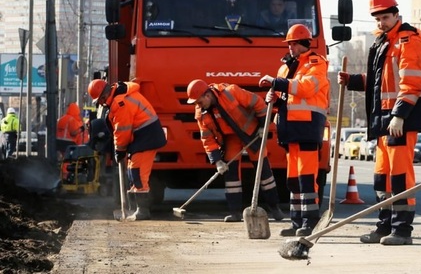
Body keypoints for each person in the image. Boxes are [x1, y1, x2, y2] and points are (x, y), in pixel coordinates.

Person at [338, 0, 421, 246]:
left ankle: (402, 231)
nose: (381, 22)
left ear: (396, 14)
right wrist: (354, 81)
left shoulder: (408, 42)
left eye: (385, 17)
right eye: (377, 18)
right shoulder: (383, 43)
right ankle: (384, 226)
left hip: (400, 120)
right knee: (383, 176)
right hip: (384, 119)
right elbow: (381, 83)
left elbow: (411, 84)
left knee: (401, 176)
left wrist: (399, 116)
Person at [259, 23, 329, 237]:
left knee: (307, 177)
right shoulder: (285, 67)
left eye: (294, 44)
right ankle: (297, 222)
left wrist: (277, 83)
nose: (290, 48)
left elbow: (306, 88)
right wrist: (273, 98)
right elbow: (286, 96)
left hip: (307, 126)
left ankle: (311, 221)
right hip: (290, 128)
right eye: (289, 44)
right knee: (293, 178)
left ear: (304, 43)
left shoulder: (316, 63)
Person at [186, 79, 285, 222]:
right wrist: (217, 161)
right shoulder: (201, 113)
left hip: (252, 133)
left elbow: (259, 103)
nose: (198, 105)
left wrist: (263, 125)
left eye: (199, 102)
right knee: (231, 175)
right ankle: (235, 212)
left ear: (207, 95)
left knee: (264, 172)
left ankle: (275, 209)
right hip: (230, 139)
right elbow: (207, 138)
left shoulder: (231, 92)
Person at [88, 79, 167, 221]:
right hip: (142, 137)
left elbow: (122, 130)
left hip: (146, 137)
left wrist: (119, 150)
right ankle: (135, 208)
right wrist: (121, 150)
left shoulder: (120, 103)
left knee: (137, 173)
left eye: (100, 101)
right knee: (132, 172)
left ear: (104, 96)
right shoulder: (120, 96)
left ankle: (142, 210)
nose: (101, 104)